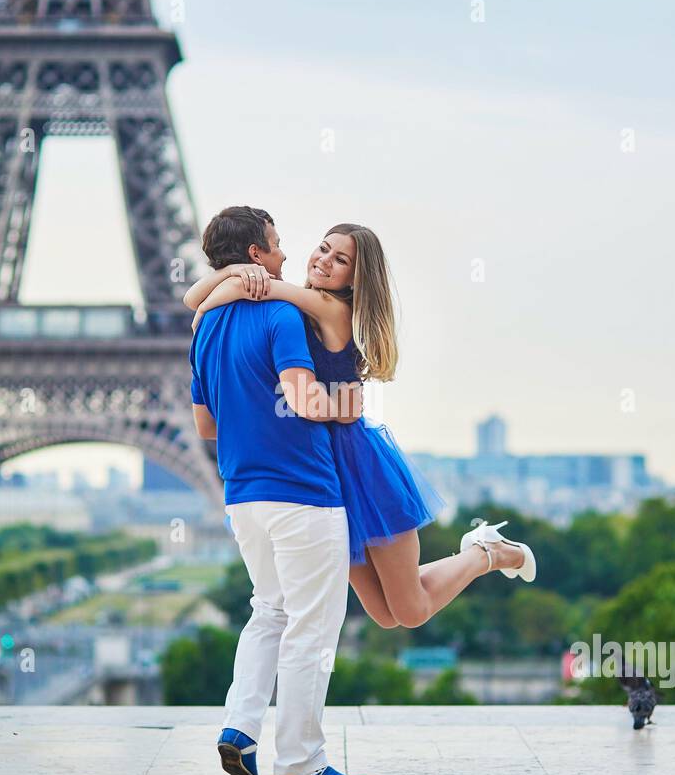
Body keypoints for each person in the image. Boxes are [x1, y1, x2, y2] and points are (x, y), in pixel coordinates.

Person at [186, 219, 536, 634]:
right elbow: (205, 296)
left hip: (358, 468)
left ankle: (487, 552)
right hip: (316, 471)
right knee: (387, 616)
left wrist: (210, 305)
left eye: (341, 259)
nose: (324, 261)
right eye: (322, 249)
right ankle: (484, 550)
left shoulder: (332, 309)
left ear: (356, 277)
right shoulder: (293, 312)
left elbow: (211, 298)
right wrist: (231, 272)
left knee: (411, 610)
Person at [190, 205, 374, 775]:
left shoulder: (205, 328)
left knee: (267, 611)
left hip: (243, 494)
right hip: (303, 492)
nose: (287, 255)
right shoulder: (280, 315)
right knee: (313, 630)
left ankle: (240, 727)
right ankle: (298, 762)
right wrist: (348, 404)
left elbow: (205, 426)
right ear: (255, 256)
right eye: (276, 245)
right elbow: (302, 399)